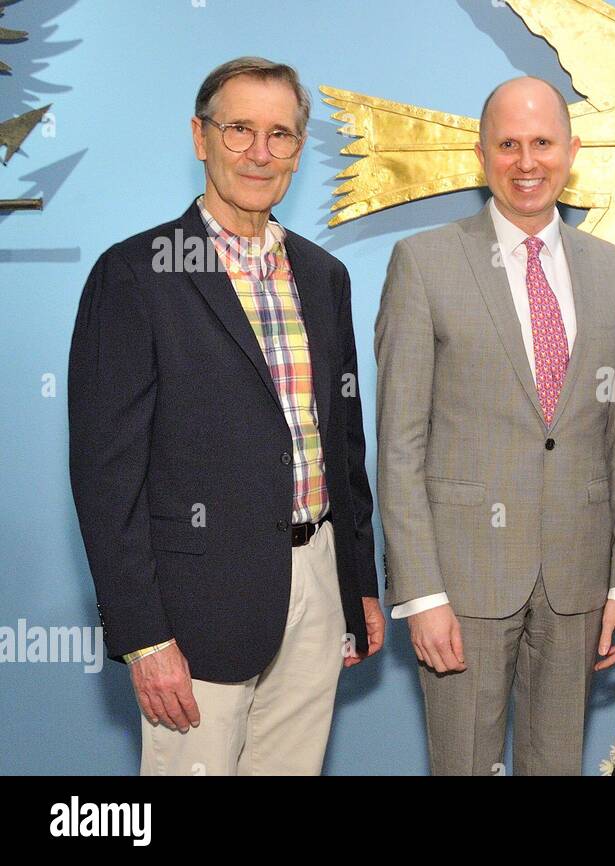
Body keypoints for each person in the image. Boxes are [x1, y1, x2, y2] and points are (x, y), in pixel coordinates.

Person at [68, 57, 383, 776]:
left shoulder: (323, 275)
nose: (259, 152)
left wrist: (357, 583)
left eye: (280, 135)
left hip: (316, 585)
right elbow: (104, 477)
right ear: (199, 136)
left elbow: (341, 442)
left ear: (299, 152)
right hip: (196, 604)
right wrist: (144, 636)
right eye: (239, 129)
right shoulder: (137, 273)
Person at [375, 76, 615, 775]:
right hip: (461, 585)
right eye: (508, 145)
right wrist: (422, 593)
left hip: (578, 582)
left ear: (572, 151)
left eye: (542, 143)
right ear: (481, 155)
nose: (526, 162)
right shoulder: (424, 262)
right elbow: (400, 446)